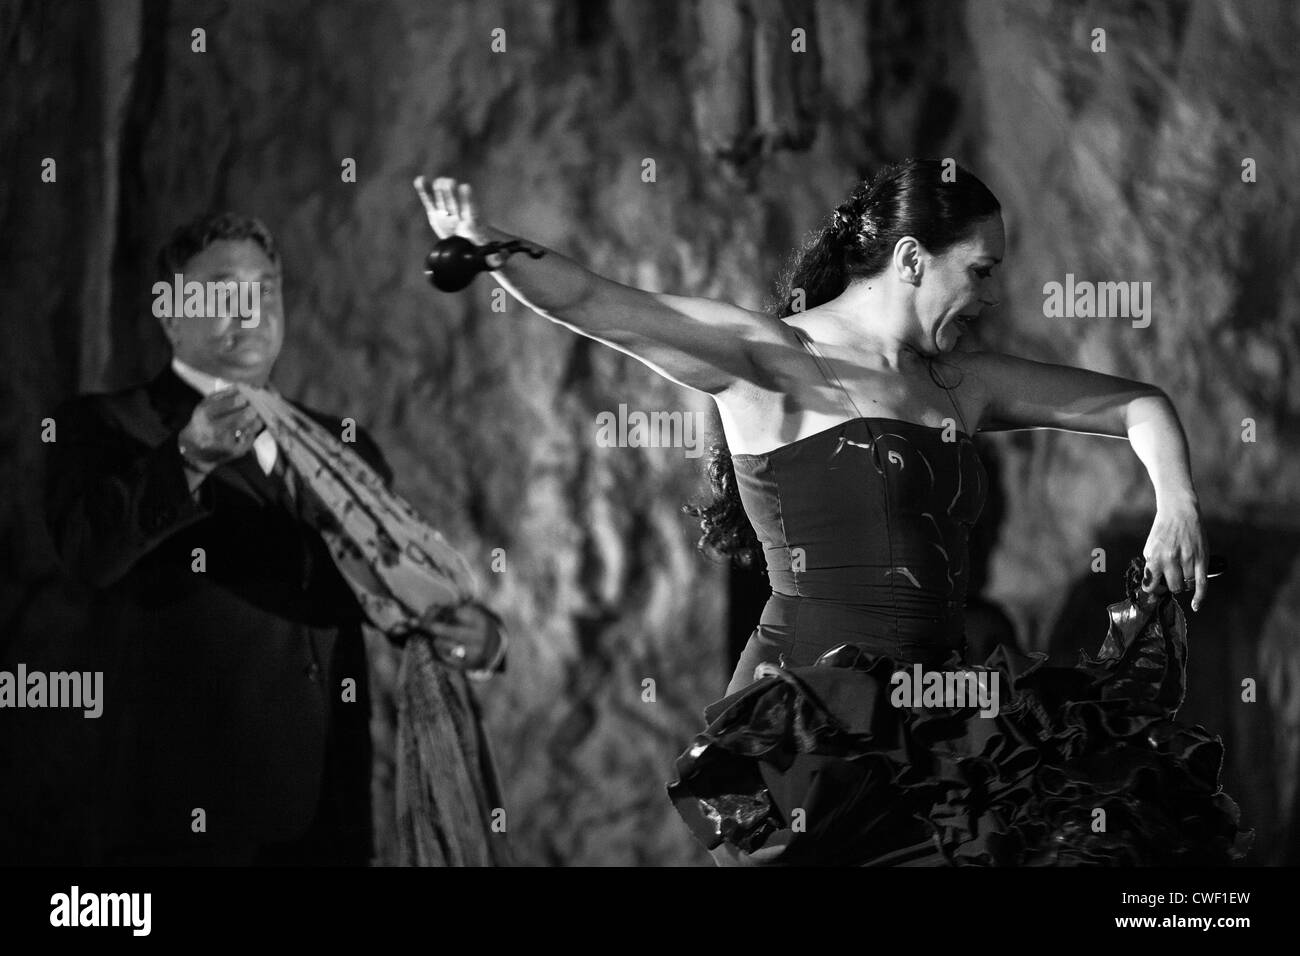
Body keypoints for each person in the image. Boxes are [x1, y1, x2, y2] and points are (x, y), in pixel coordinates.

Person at [412, 161, 1250, 866]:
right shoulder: (774, 360)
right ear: (915, 259)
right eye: (981, 271)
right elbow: (598, 304)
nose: (991, 297)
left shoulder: (964, 382)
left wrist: (1174, 503)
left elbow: (1140, 405)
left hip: (938, 708)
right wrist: (494, 251)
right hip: (811, 722)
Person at [45, 212, 506, 865]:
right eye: (223, 292)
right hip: (183, 822)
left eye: (265, 290)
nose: (250, 311)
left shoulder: (343, 447)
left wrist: (480, 638)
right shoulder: (107, 427)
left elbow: (395, 591)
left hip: (329, 820)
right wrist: (187, 461)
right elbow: (88, 556)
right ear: (171, 313)